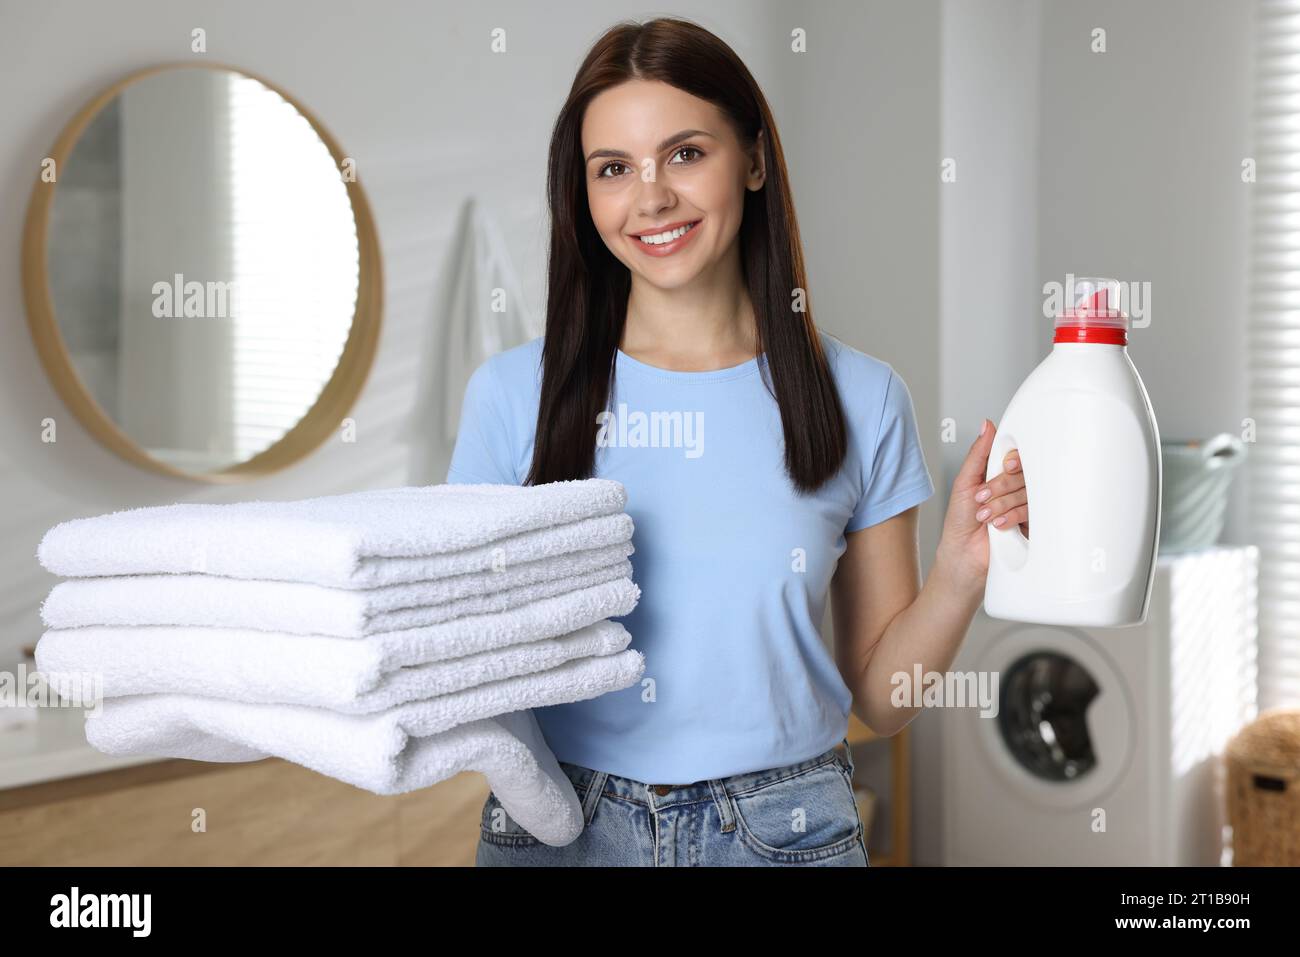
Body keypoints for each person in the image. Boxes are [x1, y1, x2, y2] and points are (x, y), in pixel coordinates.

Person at [447, 16, 1027, 867]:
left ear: (752, 160)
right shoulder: (510, 396)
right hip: (559, 825)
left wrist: (958, 575)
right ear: (584, 194)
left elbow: (885, 697)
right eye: (614, 169)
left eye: (685, 154)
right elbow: (462, 651)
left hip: (781, 827)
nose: (650, 197)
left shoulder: (861, 398)